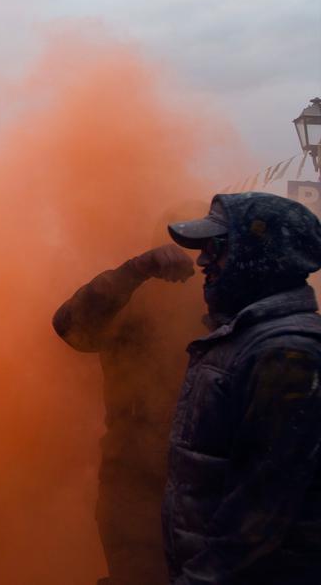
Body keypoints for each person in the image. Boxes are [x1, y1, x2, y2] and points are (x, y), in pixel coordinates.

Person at [163, 192, 321, 584]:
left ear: (261, 255)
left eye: (216, 246)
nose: (202, 261)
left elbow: (260, 514)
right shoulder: (248, 339)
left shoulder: (286, 353)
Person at [53, 234, 204, 585]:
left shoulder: (230, 310)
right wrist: (136, 270)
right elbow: (70, 326)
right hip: (134, 487)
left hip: (206, 493)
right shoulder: (130, 305)